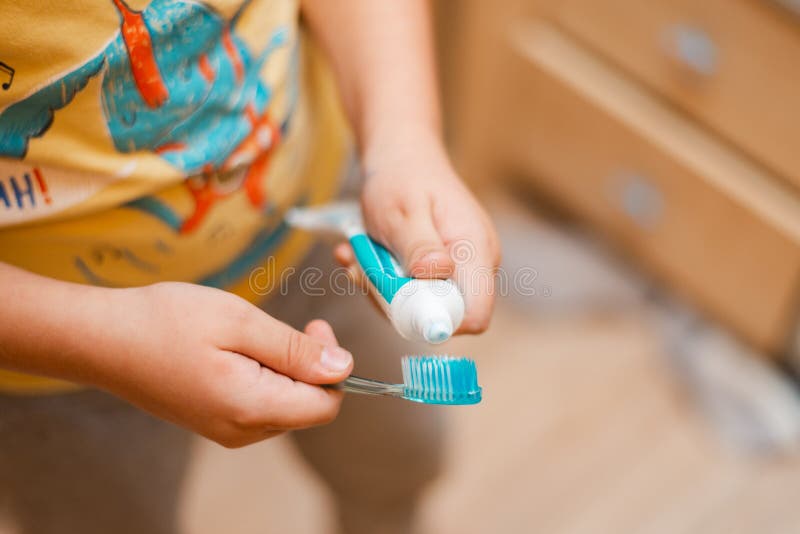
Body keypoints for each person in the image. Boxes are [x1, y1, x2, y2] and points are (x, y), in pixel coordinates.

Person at [0, 1, 500, 532]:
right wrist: (101, 338)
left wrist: (406, 142)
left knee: (399, 455)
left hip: (318, 228)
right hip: (60, 356)